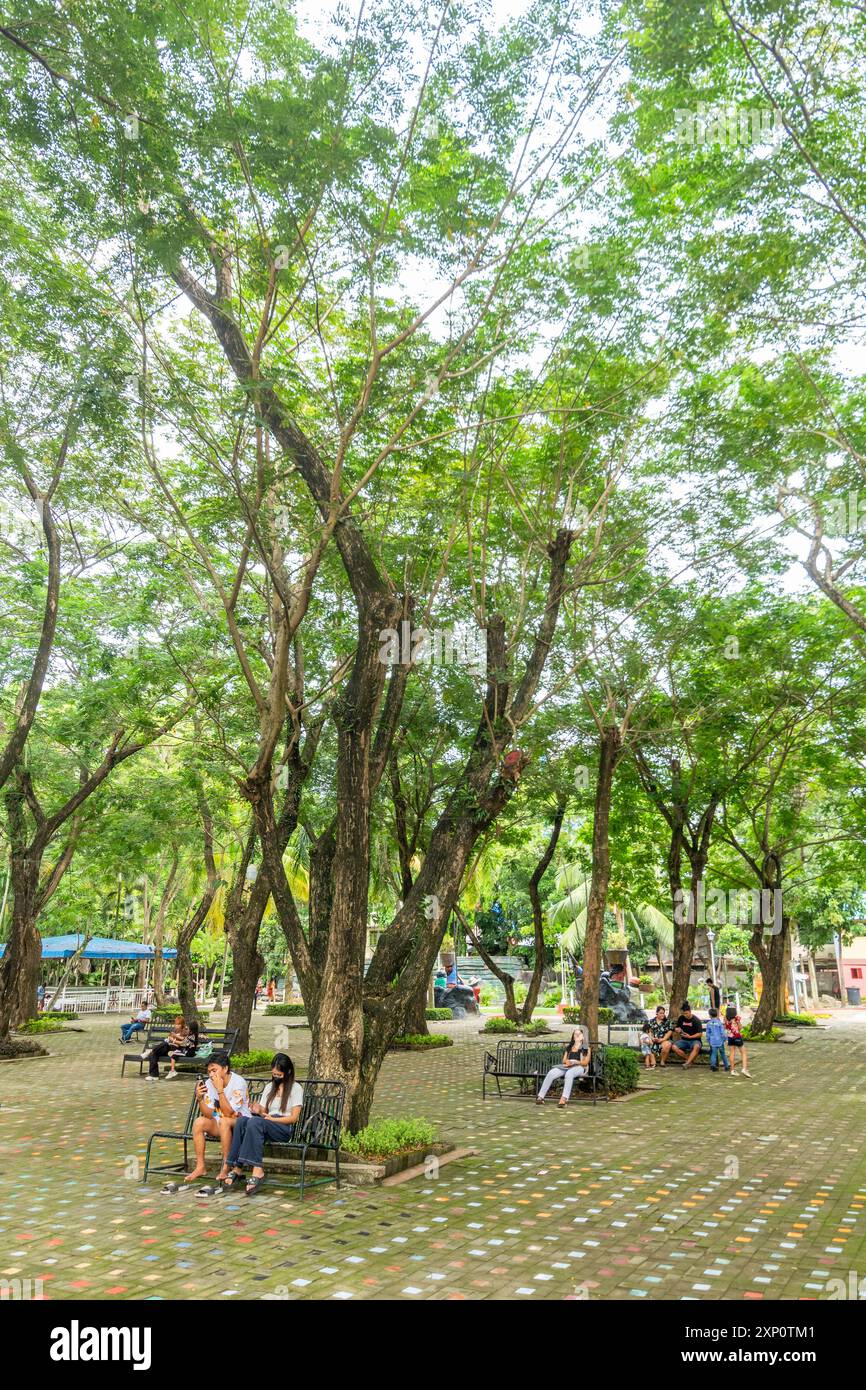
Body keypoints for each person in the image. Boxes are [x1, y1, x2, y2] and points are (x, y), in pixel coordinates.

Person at [220, 1053, 304, 1197]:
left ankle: (257, 1169)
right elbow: (263, 1112)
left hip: (283, 1127)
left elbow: (294, 1118)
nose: (276, 1077)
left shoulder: (296, 1088)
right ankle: (237, 1167)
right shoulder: (269, 1087)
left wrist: (272, 1120)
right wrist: (258, 1109)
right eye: (274, 1074)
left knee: (255, 1122)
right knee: (242, 1121)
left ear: (288, 1072)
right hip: (265, 1123)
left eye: (279, 1074)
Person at [184, 1052, 252, 1187]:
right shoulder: (209, 1083)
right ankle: (200, 1167)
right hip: (221, 1124)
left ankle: (226, 1165)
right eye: (209, 1071)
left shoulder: (239, 1083)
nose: (211, 1074)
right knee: (199, 1122)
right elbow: (209, 1114)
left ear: (225, 1068)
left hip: (241, 1125)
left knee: (224, 1120)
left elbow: (229, 1112)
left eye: (214, 1070)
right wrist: (200, 1099)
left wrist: (220, 1090)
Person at [536, 1027, 591, 1108]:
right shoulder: (569, 1047)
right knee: (551, 1072)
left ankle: (564, 1099)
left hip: (579, 1067)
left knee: (569, 1073)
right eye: (575, 1034)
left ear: (583, 1036)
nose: (577, 1035)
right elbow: (564, 1060)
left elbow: (585, 1062)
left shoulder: (586, 1048)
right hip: (567, 1066)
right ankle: (540, 1097)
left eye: (579, 1034)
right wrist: (568, 1062)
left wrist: (575, 1062)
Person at [661, 1002, 702, 1067]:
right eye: (683, 1014)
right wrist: (678, 1030)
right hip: (684, 1040)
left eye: (686, 1013)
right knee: (674, 1047)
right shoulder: (681, 1018)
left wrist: (690, 1037)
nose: (685, 1015)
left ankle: (687, 1063)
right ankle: (688, 1059)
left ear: (690, 1011)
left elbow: (700, 1034)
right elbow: (677, 1027)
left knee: (697, 1047)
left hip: (695, 1040)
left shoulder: (696, 1020)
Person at [725, 1005, 752, 1077]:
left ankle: (732, 1070)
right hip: (737, 1037)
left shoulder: (726, 1019)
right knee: (744, 1052)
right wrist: (738, 1023)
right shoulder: (736, 1018)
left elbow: (726, 1027)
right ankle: (744, 1069)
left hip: (730, 1037)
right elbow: (740, 1028)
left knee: (732, 1053)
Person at [705, 1008, 731, 1073]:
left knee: (713, 1054)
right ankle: (727, 1066)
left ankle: (713, 1066)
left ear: (710, 1015)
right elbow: (722, 1033)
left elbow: (707, 1033)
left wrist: (708, 1040)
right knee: (723, 1054)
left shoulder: (708, 1023)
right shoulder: (719, 1023)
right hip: (720, 1041)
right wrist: (726, 1039)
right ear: (716, 1015)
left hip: (713, 1042)